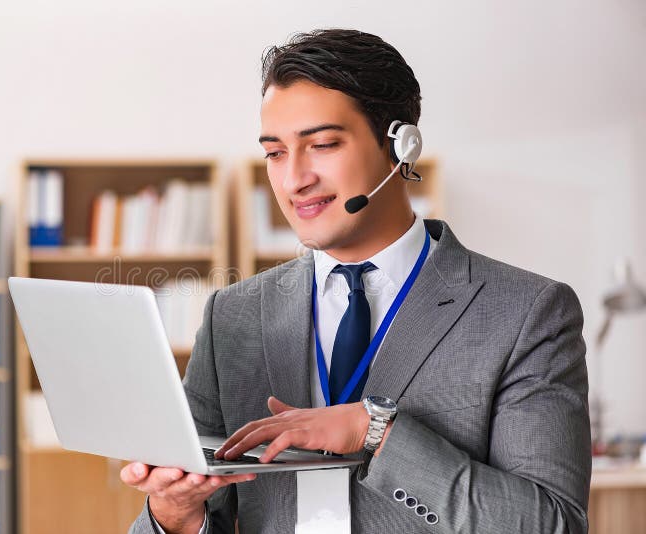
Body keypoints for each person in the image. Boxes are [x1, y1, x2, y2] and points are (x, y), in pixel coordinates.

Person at [121, 28, 591, 533]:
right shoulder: (232, 316)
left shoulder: (526, 312)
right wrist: (172, 514)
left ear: (401, 144)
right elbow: (195, 506)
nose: (294, 179)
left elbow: (554, 524)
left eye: (322, 144)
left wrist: (379, 435)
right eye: (275, 153)